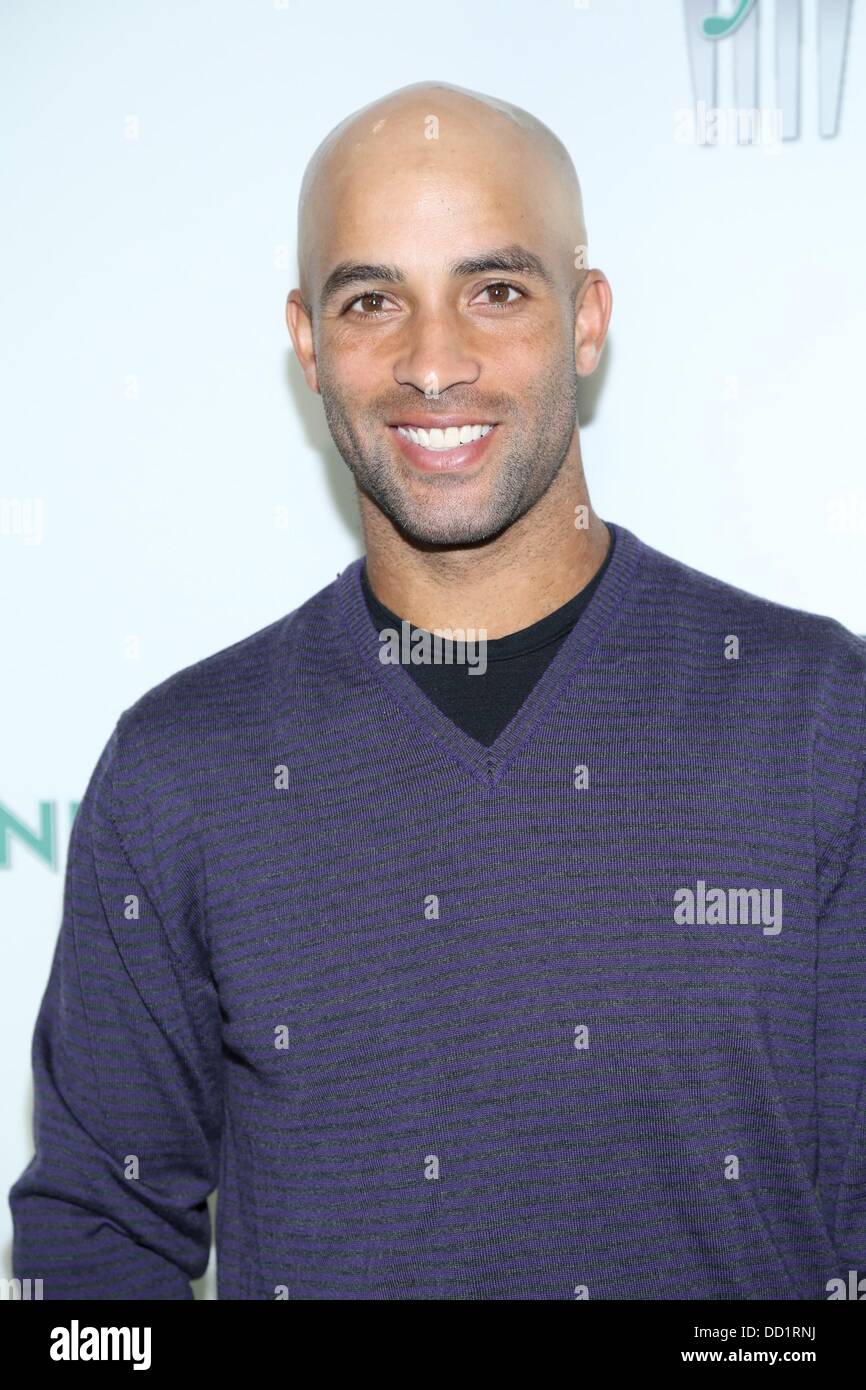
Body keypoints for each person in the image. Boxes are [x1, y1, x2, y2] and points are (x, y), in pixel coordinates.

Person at [10, 81, 865, 1300]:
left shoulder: (818, 720)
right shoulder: (178, 770)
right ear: (309, 341)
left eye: (495, 289)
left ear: (586, 318)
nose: (433, 360)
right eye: (372, 301)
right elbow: (92, 1251)